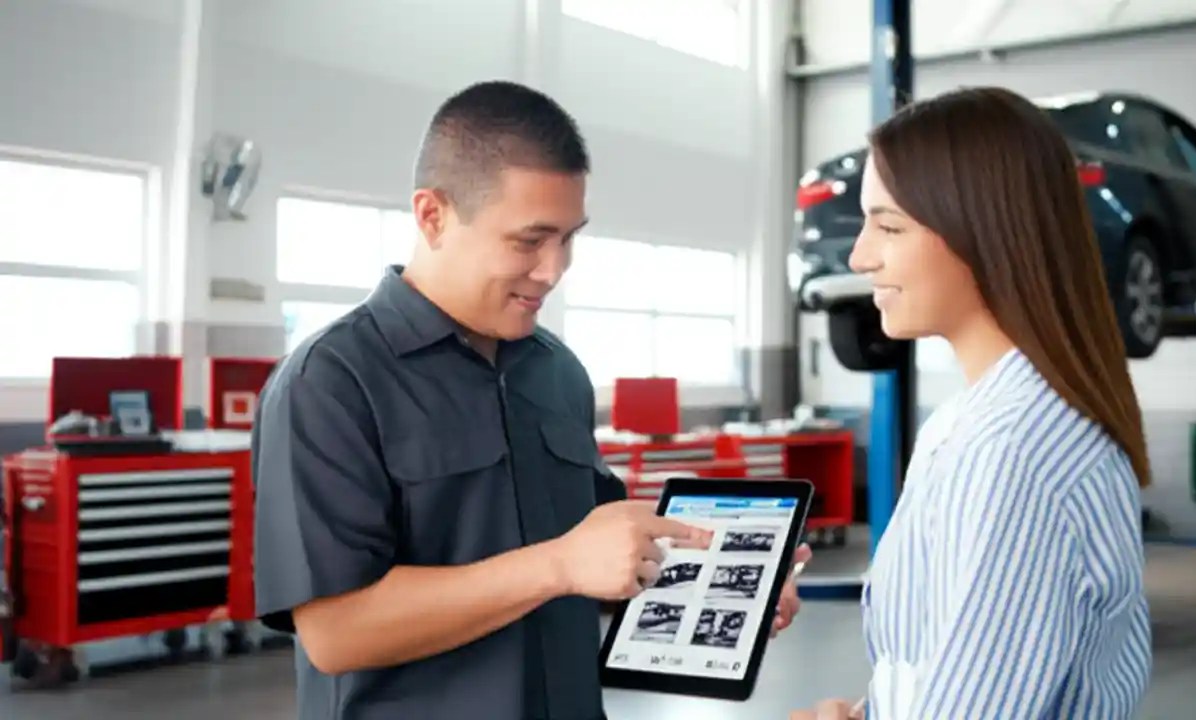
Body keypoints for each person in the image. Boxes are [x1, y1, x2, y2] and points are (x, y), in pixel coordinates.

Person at [251, 79, 809, 720]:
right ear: (433, 216)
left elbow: (602, 567)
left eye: (570, 237)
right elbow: (336, 631)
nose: (554, 269)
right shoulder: (331, 383)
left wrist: (724, 589)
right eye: (528, 240)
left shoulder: (556, 372)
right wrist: (559, 565)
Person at [790, 87, 1152, 720]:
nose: (859, 255)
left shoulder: (1010, 452)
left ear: (983, 232)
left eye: (889, 226)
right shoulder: (973, 421)